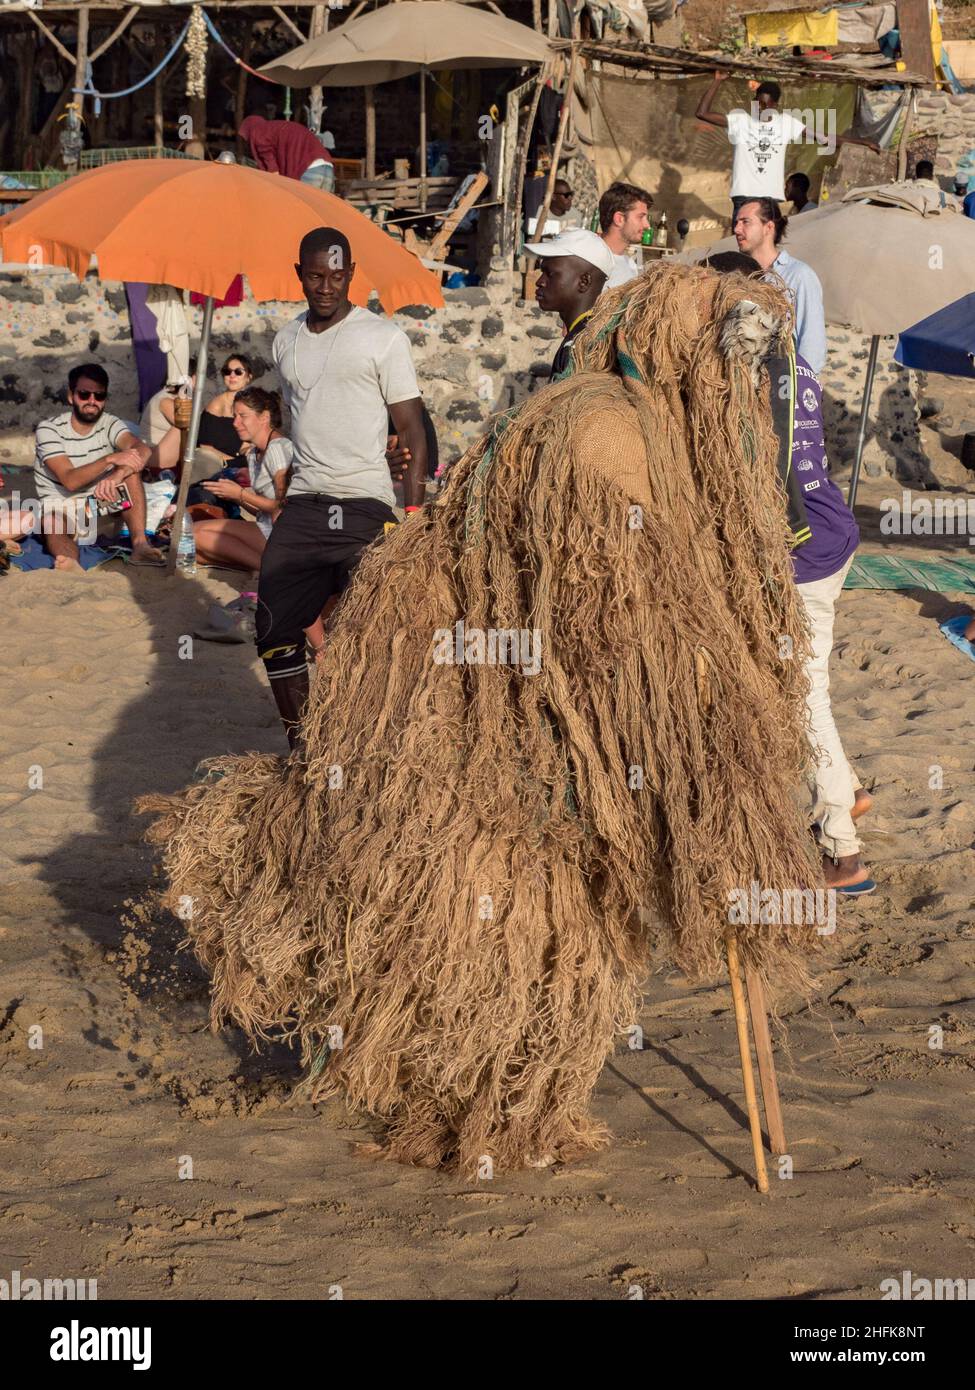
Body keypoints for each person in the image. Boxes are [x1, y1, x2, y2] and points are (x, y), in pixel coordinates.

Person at [144, 260, 819, 1176]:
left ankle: (500, 1105)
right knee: (500, 906)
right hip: (479, 709)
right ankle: (472, 1108)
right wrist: (697, 726)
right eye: (721, 369)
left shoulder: (654, 433)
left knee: (554, 918)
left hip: (507, 705)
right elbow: (608, 618)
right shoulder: (600, 435)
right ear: (682, 355)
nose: (734, 395)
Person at [707, 250, 876, 895]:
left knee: (804, 696)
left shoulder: (740, 382)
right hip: (833, 532)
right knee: (807, 687)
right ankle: (850, 789)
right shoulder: (796, 368)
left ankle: (841, 849)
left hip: (803, 554)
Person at [257, 225, 428, 745]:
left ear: (352, 274)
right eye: (315, 276)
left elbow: (415, 427)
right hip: (307, 502)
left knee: (371, 632)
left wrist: (413, 515)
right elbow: (307, 415)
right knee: (271, 627)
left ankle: (366, 745)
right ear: (299, 276)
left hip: (365, 503)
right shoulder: (285, 341)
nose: (326, 286)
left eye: (336, 275)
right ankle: (306, 748)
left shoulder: (383, 338)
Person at [696, 71, 877, 219]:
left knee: (766, 245)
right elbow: (702, 113)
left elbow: (825, 137)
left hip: (770, 198)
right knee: (743, 244)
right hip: (744, 196)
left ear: (775, 105)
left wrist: (861, 142)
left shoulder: (786, 123)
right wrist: (717, 81)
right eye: (758, 103)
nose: (761, 108)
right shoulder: (741, 121)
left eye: (765, 104)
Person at [33, 364, 163, 570]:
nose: (92, 401)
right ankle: (69, 563)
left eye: (99, 396)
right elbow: (70, 480)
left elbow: (143, 450)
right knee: (51, 521)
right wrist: (111, 459)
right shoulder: (49, 429)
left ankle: (140, 546)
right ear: (71, 396)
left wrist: (118, 474)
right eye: (84, 394)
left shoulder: (109, 423)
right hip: (61, 506)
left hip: (98, 503)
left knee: (131, 471)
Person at [193, 386, 291, 573]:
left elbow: (285, 506)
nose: (235, 423)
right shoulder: (254, 453)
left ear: (264, 417)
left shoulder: (277, 448)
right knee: (197, 551)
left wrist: (240, 494)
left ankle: (269, 569)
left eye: (242, 416)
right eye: (234, 416)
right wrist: (234, 497)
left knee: (194, 534)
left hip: (283, 534)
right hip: (266, 526)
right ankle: (265, 566)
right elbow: (263, 511)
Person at [733, 197, 827, 374]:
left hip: (782, 392)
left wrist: (795, 394)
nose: (737, 229)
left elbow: (813, 347)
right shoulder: (736, 277)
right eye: (737, 222)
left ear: (769, 227)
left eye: (745, 222)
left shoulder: (799, 275)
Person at [527, 228, 613, 379]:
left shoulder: (579, 348)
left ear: (583, 282)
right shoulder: (594, 333)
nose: (540, 282)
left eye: (551, 274)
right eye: (542, 273)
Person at [239, 114, 335, 194]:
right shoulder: (276, 128)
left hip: (307, 168)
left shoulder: (259, 131)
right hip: (327, 166)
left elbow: (273, 173)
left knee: (299, 212)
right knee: (319, 212)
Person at [598, 180, 653, 288]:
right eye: (641, 217)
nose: (647, 225)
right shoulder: (590, 258)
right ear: (620, 219)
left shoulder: (630, 266)